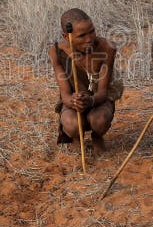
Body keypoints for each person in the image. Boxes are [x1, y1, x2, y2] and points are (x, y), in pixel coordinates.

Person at [49, 9, 123, 148]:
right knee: (72, 124)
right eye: (82, 35)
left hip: (98, 101)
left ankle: (97, 136)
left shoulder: (107, 48)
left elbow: (102, 92)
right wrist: (73, 101)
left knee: (99, 121)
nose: (89, 39)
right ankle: (76, 138)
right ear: (66, 36)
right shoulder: (56, 52)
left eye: (92, 31)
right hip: (73, 103)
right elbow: (65, 95)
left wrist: (90, 100)